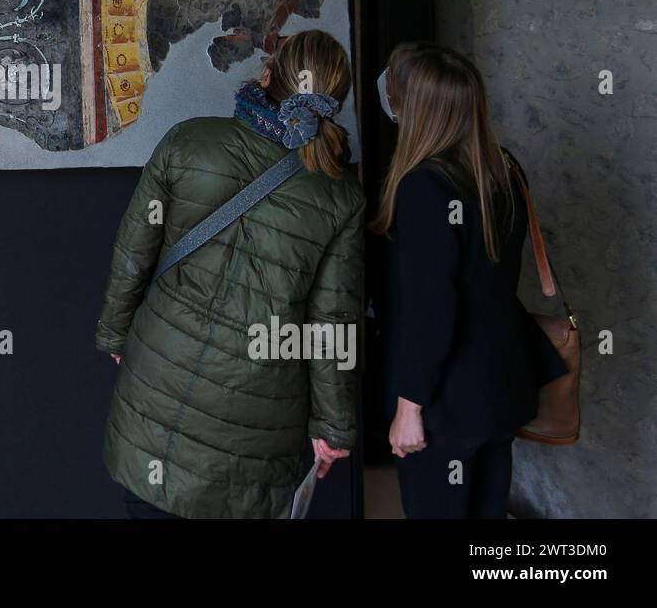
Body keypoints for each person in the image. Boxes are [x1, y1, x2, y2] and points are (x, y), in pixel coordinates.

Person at [95, 30, 365, 518]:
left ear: (267, 75)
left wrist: (116, 334)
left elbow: (133, 252)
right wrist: (333, 426)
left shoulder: (188, 141)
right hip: (259, 413)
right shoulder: (340, 198)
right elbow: (332, 325)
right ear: (334, 98)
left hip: (161, 374)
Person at [371, 42, 567, 519]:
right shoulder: (503, 167)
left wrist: (409, 409)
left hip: (447, 405)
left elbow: (430, 313)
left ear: (414, 111)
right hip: (502, 390)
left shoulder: (424, 187)